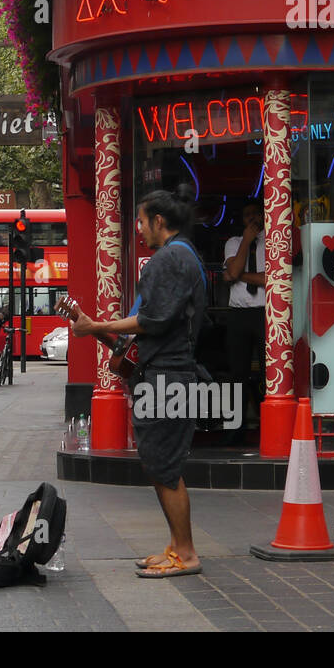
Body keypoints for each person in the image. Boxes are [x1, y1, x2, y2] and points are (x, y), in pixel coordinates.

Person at [66, 189, 207, 578]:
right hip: (168, 370)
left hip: (168, 374)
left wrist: (97, 325)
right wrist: (100, 330)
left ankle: (187, 553)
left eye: (142, 221)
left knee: (164, 465)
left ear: (159, 221)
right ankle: (178, 547)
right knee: (162, 464)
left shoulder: (171, 257)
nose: (140, 230)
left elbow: (152, 321)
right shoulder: (182, 255)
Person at [223, 201, 266, 432]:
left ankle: (267, 426)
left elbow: (271, 279)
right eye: (246, 215)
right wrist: (247, 240)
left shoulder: (272, 240)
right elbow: (231, 271)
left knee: (269, 373)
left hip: (264, 313)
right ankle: (234, 430)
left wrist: (238, 276)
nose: (251, 219)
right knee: (237, 374)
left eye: (254, 214)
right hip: (238, 314)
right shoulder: (234, 243)